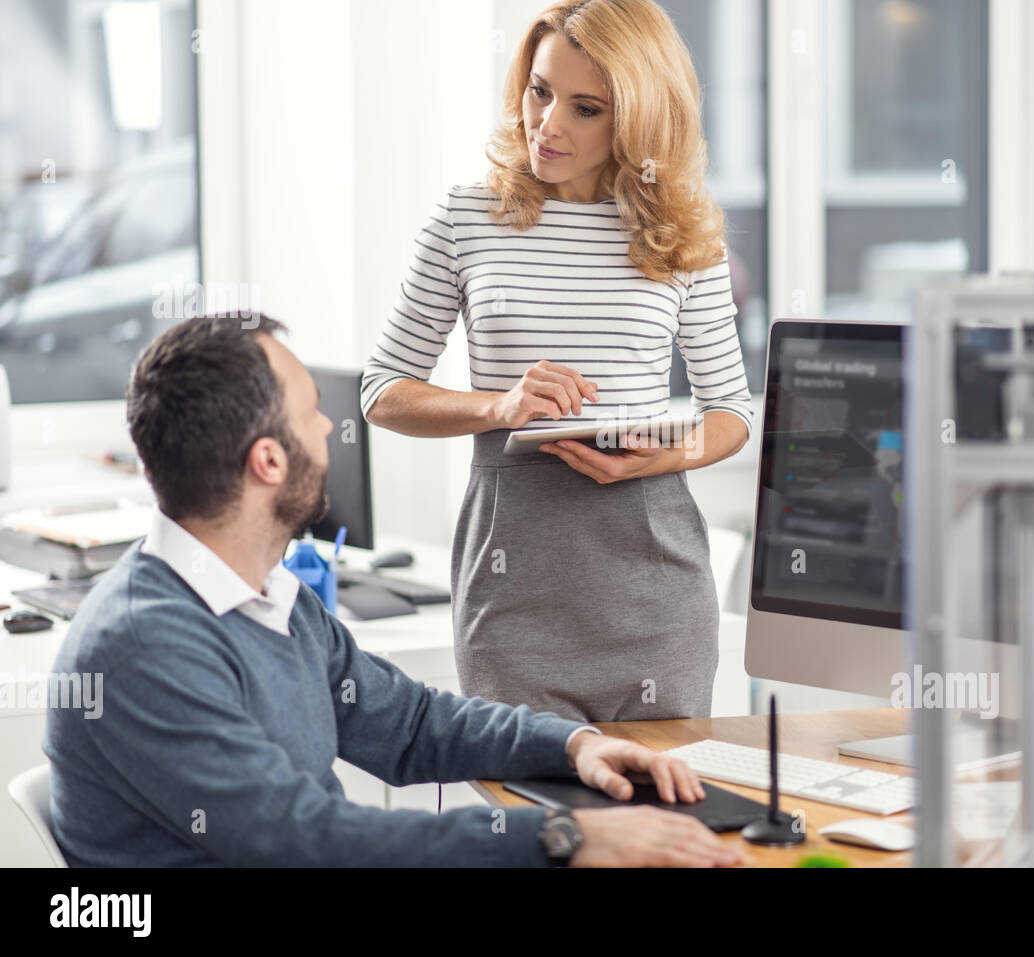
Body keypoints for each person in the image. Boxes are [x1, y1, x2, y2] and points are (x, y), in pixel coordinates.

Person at [43, 315, 743, 868]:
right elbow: (311, 843)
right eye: (314, 412)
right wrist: (566, 837)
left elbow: (408, 724)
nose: (328, 429)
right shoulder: (145, 645)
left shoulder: (267, 595)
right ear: (268, 460)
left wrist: (575, 746)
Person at [362, 0, 752, 723]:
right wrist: (499, 407)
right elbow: (382, 391)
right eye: (540, 91)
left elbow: (732, 411)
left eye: (585, 108)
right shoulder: (468, 218)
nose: (548, 124)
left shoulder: (683, 232)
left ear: (635, 118)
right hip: (513, 597)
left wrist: (659, 457)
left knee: (656, 828)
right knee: (526, 828)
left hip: (656, 598)